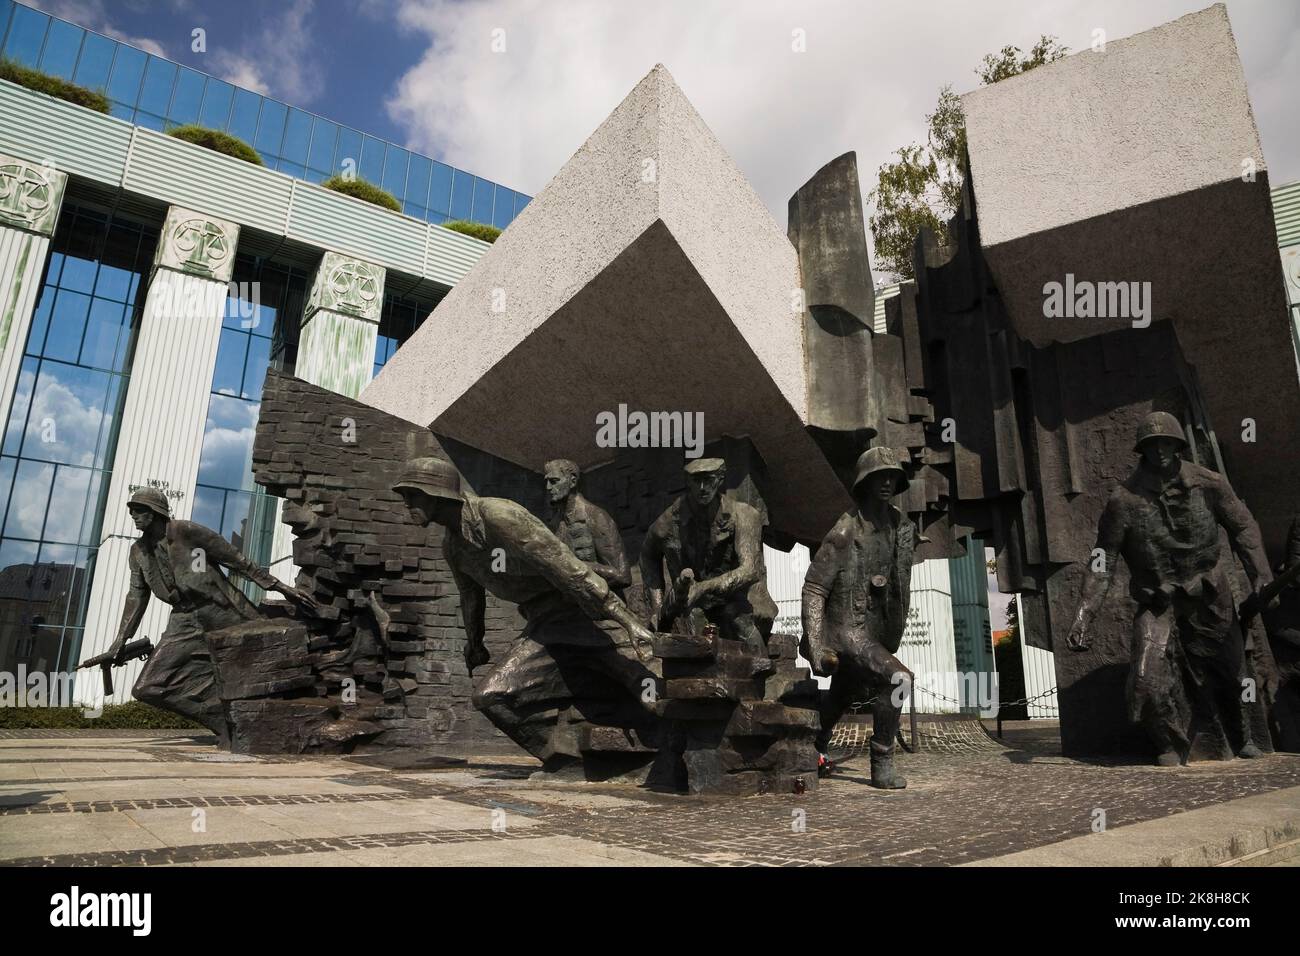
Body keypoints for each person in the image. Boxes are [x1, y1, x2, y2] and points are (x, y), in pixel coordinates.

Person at [393, 456, 656, 768]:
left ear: (436, 494)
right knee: (489, 697)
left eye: (412, 494)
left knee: (650, 689)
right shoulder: (453, 546)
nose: (406, 502)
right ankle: (574, 759)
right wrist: (475, 642)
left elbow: (567, 567)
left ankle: (665, 750)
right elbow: (470, 595)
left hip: (588, 613)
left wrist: (626, 620)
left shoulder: (499, 515)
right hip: (545, 623)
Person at [1066, 411, 1272, 765]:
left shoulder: (1210, 483)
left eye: (1166, 442)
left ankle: (1242, 737)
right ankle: (1168, 744)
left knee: (1235, 676)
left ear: (1178, 445)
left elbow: (1244, 527)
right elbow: (1103, 560)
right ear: (1141, 450)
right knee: (1144, 679)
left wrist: (1261, 574)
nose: (1159, 450)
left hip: (1209, 596)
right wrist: (1084, 615)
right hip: (1159, 602)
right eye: (1151, 444)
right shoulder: (1124, 501)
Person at [105, 487, 318, 744]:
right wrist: (120, 638)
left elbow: (236, 560)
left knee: (264, 666)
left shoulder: (186, 531)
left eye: (139, 510)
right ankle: (222, 719)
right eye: (131, 511)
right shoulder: (138, 552)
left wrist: (280, 587)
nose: (134, 516)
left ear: (155, 511)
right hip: (183, 619)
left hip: (222, 611)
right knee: (146, 688)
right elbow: (136, 596)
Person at [802, 447, 916, 789]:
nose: (886, 482)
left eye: (892, 476)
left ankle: (810, 749)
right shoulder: (844, 531)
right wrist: (816, 642)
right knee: (899, 680)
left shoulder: (900, 526)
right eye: (878, 476)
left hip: (874, 631)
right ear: (864, 483)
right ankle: (882, 760)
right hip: (845, 631)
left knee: (840, 697)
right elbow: (814, 589)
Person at [639, 457, 776, 654]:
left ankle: (760, 673)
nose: (703, 488)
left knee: (740, 622)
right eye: (696, 481)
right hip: (693, 602)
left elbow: (749, 570)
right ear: (688, 482)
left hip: (738, 598)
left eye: (709, 480)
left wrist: (703, 588)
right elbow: (647, 556)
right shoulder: (669, 521)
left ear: (720, 479)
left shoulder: (744, 515)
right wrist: (658, 607)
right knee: (689, 635)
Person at [542, 458, 630, 597]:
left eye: (554, 481)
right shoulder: (554, 524)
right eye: (546, 482)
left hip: (603, 609)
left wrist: (574, 566)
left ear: (572, 481)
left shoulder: (596, 517)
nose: (548, 488)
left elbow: (621, 575)